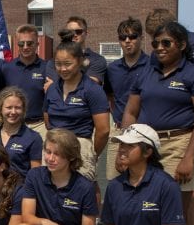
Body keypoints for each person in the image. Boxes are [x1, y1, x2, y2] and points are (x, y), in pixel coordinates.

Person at [123, 21, 194, 225]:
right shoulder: (146, 73)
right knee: (151, 199)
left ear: (182, 45)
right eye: (155, 43)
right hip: (147, 143)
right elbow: (131, 111)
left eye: (166, 43)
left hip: (181, 141)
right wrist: (127, 143)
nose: (159, 48)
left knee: (182, 201)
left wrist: (189, 157)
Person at [43, 31, 110, 184]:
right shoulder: (52, 89)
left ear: (80, 61)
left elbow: (103, 129)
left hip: (80, 148)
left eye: (67, 64)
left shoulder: (92, 90)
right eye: (58, 64)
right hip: (53, 146)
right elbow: (47, 118)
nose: (62, 69)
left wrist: (92, 153)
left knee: (82, 191)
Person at [103, 17, 149, 181]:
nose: (128, 41)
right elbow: (109, 95)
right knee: (114, 179)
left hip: (145, 132)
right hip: (118, 131)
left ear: (141, 38)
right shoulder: (112, 69)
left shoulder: (152, 66)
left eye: (132, 36)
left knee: (144, 180)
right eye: (123, 38)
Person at [0, 86, 42, 178]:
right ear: (1, 109)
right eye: (9, 107)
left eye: (17, 108)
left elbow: (36, 175)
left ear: (23, 110)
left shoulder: (33, 138)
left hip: (20, 190)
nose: (13, 112)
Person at [1, 24, 47, 138]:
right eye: (21, 44)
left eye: (30, 43)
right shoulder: (7, 68)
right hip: (13, 125)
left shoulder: (47, 68)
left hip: (39, 126)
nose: (25, 47)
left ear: (37, 44)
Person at [45, 16, 106, 89]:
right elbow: (50, 89)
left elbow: (90, 87)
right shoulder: (53, 61)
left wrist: (56, 85)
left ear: (86, 33)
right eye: (69, 32)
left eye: (78, 32)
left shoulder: (97, 60)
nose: (74, 35)